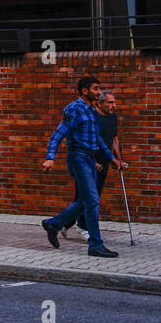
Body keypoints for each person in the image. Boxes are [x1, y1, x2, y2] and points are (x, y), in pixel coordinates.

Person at [40, 76, 128, 258]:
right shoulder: (74, 109)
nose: (99, 92)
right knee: (93, 201)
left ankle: (54, 224)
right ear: (84, 91)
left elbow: (98, 140)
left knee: (86, 201)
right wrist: (50, 158)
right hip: (78, 158)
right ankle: (95, 245)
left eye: (99, 88)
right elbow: (57, 135)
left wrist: (112, 159)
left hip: (90, 159)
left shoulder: (91, 111)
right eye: (96, 89)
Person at [62, 90, 123, 238]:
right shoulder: (91, 118)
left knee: (88, 196)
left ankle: (63, 223)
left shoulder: (112, 118)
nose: (113, 105)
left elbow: (114, 139)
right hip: (86, 162)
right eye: (110, 102)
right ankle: (83, 227)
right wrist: (92, 161)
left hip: (104, 162)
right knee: (87, 196)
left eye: (114, 102)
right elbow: (81, 141)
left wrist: (118, 159)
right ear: (99, 103)